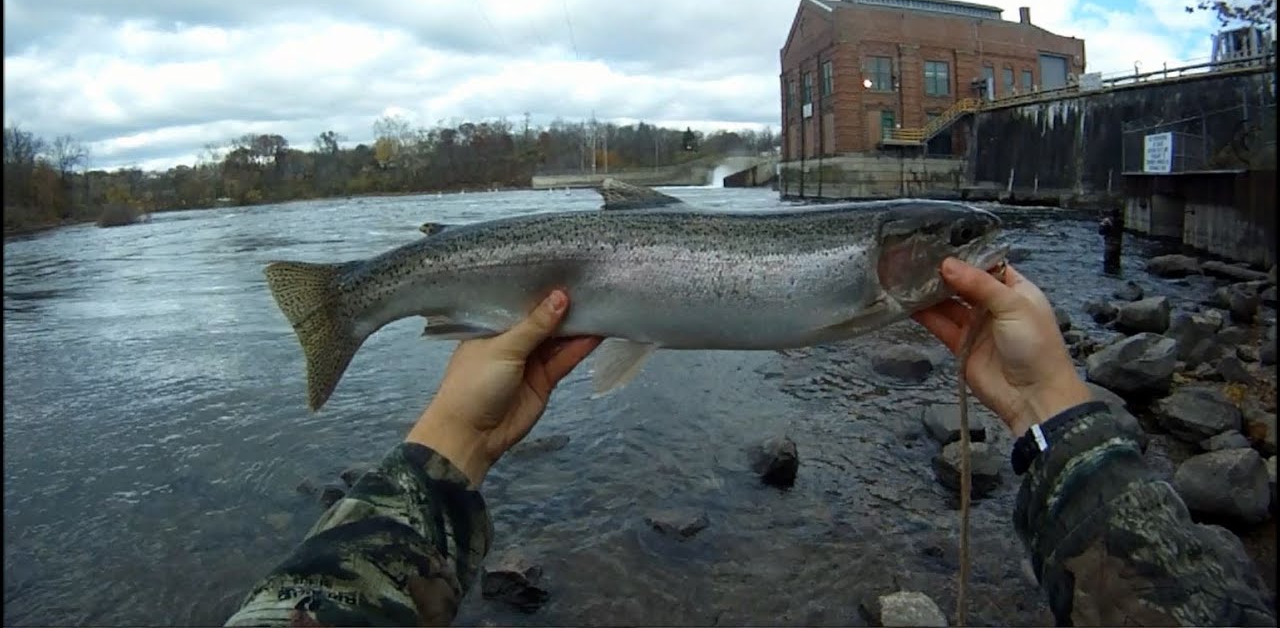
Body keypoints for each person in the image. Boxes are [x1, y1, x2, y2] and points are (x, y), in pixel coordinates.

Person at [225, 261, 1276, 628]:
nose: (967, 255)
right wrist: (1052, 400)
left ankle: (346, 302)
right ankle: (342, 301)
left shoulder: (874, 286)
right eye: (950, 237)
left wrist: (449, 443)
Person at [1098, 207, 1124, 274]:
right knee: (1116, 264)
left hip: (1109, 245)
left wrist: (1102, 224)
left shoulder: (1107, 221)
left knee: (1107, 265)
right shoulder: (1121, 221)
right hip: (1118, 245)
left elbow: (1101, 232)